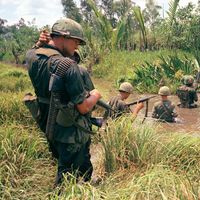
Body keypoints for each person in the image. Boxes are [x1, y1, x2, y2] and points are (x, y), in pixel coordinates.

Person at [25, 18, 102, 186]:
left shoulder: (32, 56)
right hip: (70, 130)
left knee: (70, 162)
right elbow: (83, 107)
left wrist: (39, 43)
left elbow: (34, 49)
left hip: (48, 123)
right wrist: (95, 95)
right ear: (63, 37)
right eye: (76, 41)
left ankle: (86, 185)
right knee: (66, 174)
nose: (77, 47)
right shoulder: (67, 65)